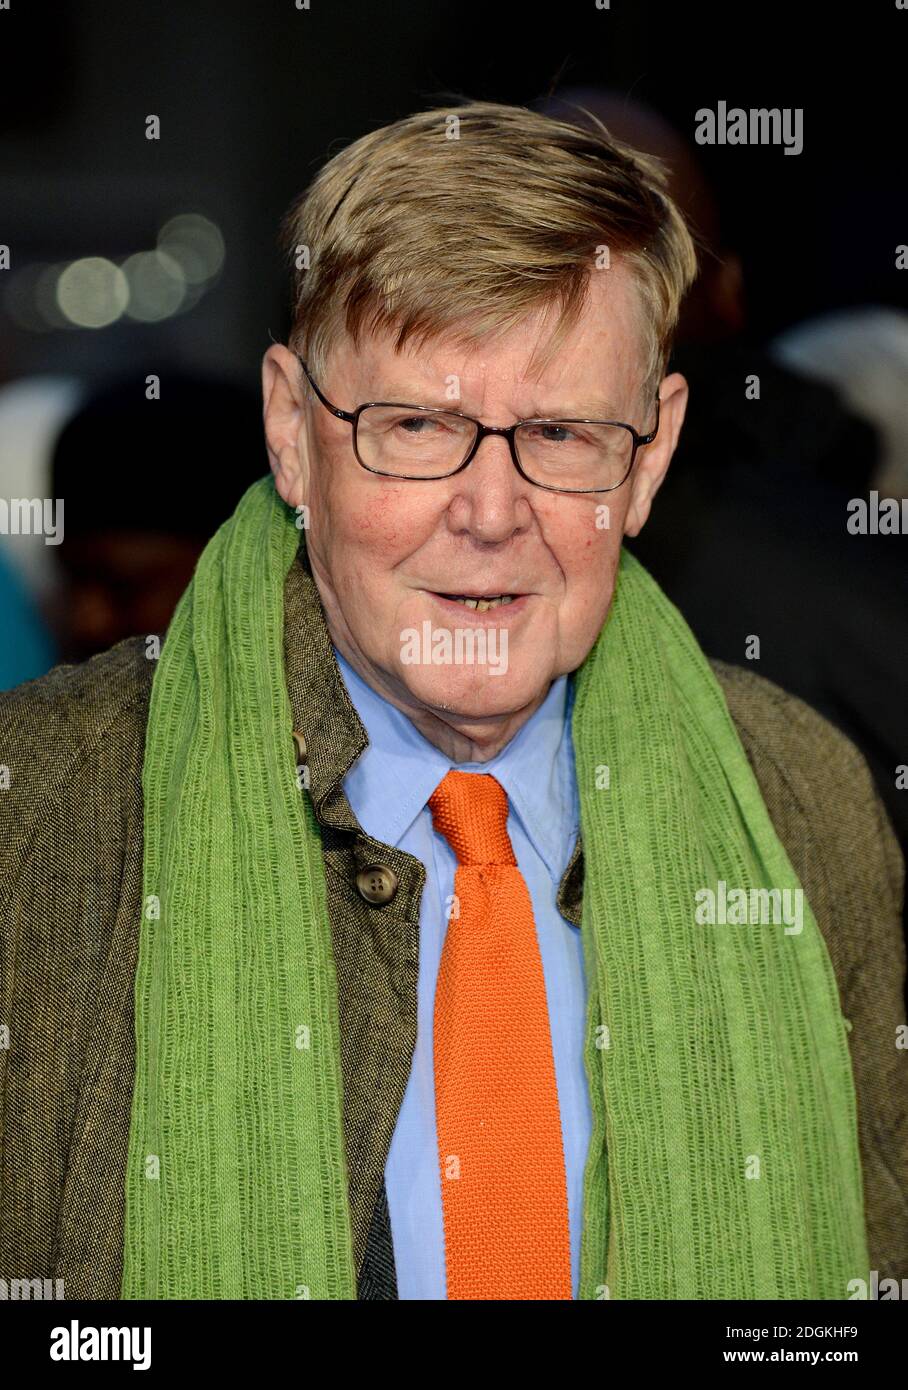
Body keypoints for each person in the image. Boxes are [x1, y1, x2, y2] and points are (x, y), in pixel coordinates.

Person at [0, 100, 904, 1302]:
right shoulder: (40, 814)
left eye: (561, 431)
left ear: (649, 456)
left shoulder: (798, 805)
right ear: (289, 430)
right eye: (416, 425)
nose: (488, 512)